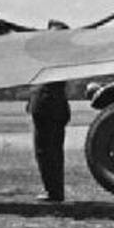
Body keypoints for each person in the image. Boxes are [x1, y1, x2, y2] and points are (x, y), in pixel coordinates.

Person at [28, 19, 71, 201]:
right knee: (55, 151)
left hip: (46, 105)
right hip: (58, 105)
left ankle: (52, 192)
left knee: (45, 151)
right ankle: (56, 190)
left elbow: (28, 33)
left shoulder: (50, 51)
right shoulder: (64, 52)